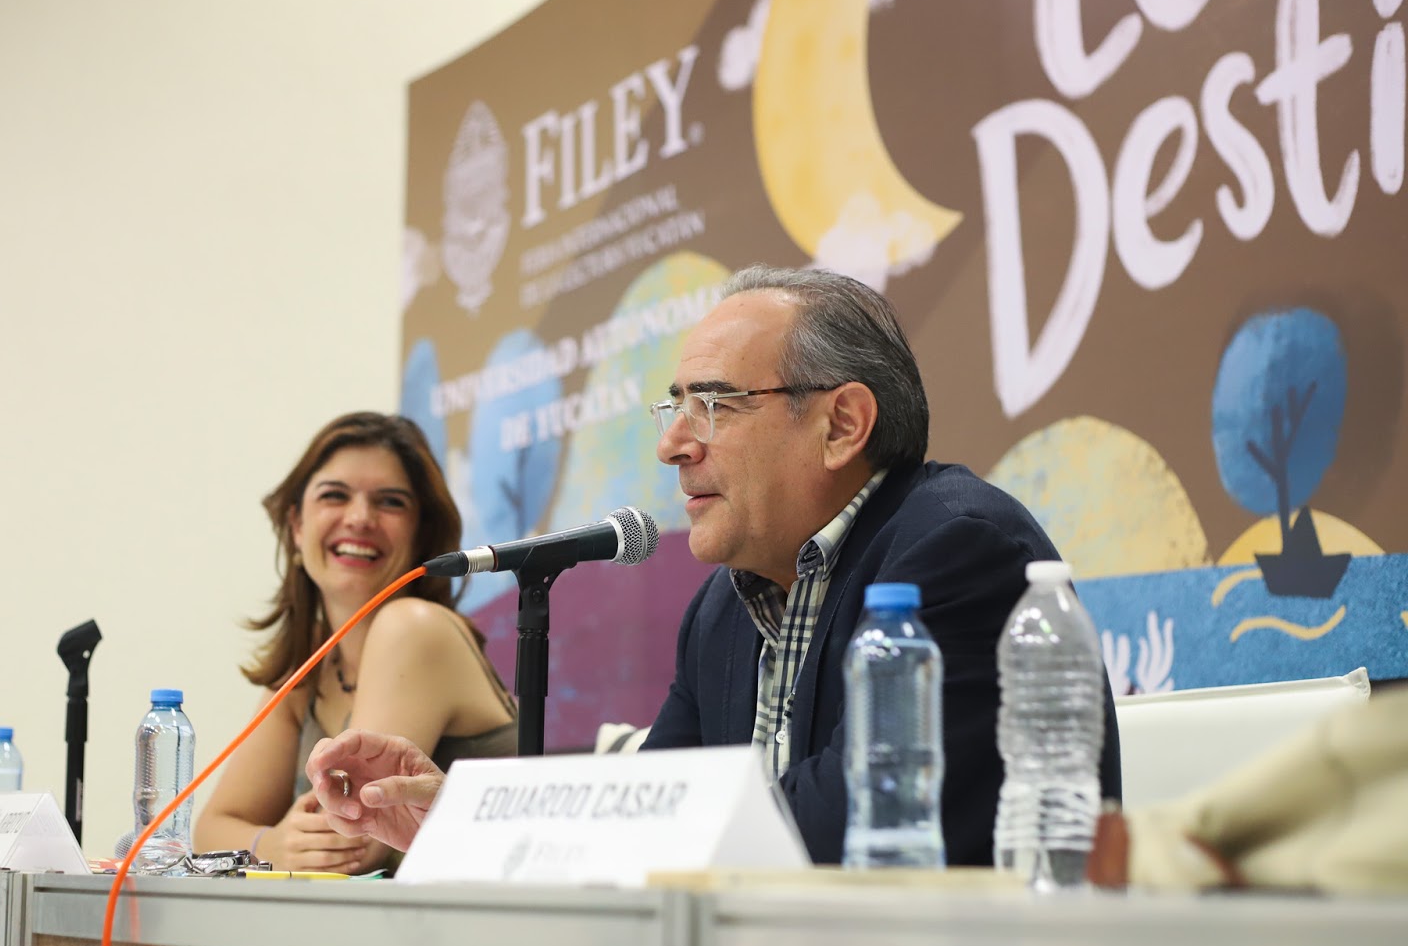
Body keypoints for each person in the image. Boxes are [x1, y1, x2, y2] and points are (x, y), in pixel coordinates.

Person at [309, 267, 1121, 865]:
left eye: (713, 405)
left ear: (842, 424)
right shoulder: (724, 611)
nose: (672, 444)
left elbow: (843, 830)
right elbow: (649, 814)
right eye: (675, 406)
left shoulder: (958, 555)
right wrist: (466, 820)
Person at [195, 412, 517, 874]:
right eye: (334, 495)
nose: (360, 518)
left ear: (420, 534)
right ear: (297, 525)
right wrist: (271, 845)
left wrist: (262, 847)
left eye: (390, 502)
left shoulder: (413, 627)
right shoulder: (311, 659)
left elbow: (351, 843)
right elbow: (210, 829)